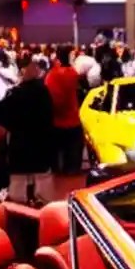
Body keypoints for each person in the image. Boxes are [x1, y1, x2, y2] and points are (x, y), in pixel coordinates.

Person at [0, 61, 55, 204]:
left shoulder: (13, 94)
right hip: (40, 147)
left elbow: (2, 126)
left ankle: (20, 215)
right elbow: (50, 117)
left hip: (19, 149)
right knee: (43, 191)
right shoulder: (45, 93)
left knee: (18, 194)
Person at [45, 45, 84, 176]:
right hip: (73, 121)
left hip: (57, 122)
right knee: (72, 163)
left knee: (56, 165)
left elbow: (51, 98)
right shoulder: (72, 73)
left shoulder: (52, 75)